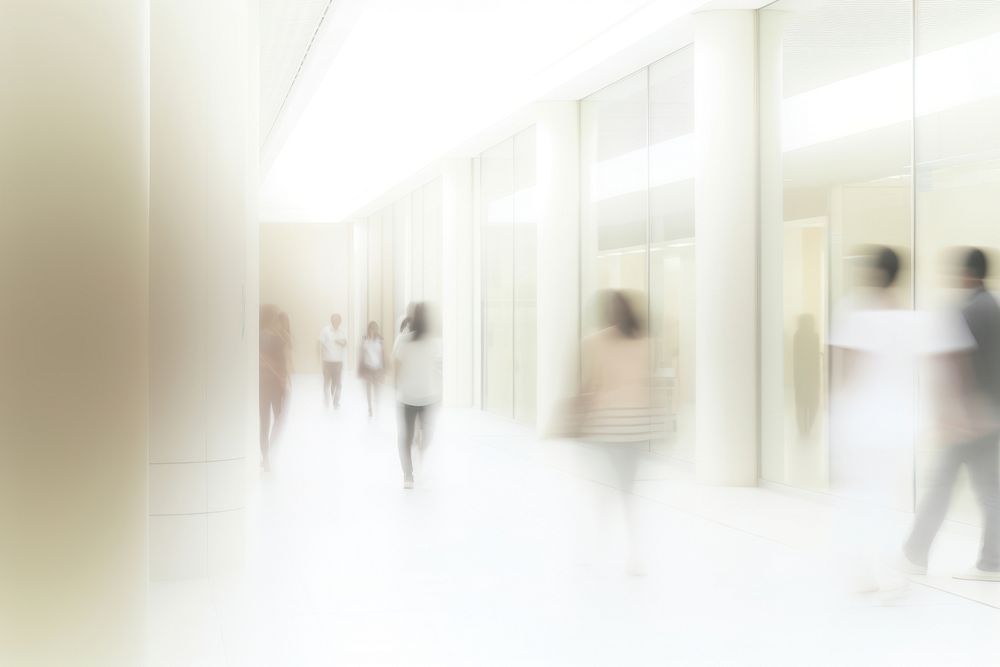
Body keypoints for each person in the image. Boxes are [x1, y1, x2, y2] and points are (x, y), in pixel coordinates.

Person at [904, 248, 1000, 581]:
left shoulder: (968, 311)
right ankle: (992, 562)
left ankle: (914, 555)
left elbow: (958, 366)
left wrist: (951, 413)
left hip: (968, 417)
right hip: (992, 414)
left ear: (968, 274)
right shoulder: (995, 307)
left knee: (942, 485)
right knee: (990, 490)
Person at [577, 290, 664, 575]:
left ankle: (597, 551)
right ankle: (633, 554)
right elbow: (651, 385)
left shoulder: (594, 342)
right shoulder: (647, 343)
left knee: (603, 492)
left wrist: (578, 419)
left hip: (606, 426)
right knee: (628, 493)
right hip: (634, 427)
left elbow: (590, 385)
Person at [394, 303, 441, 489]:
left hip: (409, 395)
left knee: (406, 436)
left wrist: (396, 385)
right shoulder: (429, 342)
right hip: (426, 395)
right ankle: (412, 465)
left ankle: (408, 475)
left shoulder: (404, 340)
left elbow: (396, 366)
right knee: (424, 433)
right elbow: (437, 368)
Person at [260, 304, 288, 470]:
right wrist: (283, 377)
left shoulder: (260, 337)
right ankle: (267, 455)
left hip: (265, 384)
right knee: (277, 418)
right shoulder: (278, 339)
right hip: (274, 384)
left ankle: (266, 456)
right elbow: (282, 363)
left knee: (265, 421)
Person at [318, 313, 347, 408]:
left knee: (337, 384)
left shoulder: (342, 331)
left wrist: (339, 342)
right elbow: (321, 345)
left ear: (340, 322)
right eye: (334, 320)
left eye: (338, 320)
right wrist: (320, 359)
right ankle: (327, 401)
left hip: (338, 362)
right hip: (327, 361)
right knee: (327, 383)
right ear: (331, 321)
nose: (336, 322)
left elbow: (345, 343)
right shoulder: (325, 331)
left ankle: (336, 402)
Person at [359, 321, 386, 418]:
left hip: (377, 368)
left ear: (376, 330)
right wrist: (361, 369)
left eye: (374, 328)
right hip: (368, 368)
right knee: (368, 389)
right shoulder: (365, 339)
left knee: (377, 389)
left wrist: (383, 369)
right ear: (368, 329)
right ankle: (370, 407)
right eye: (371, 328)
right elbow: (361, 355)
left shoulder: (380, 340)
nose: (372, 330)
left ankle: (376, 405)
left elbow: (382, 355)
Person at [275, 311, 293, 419]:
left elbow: (288, 354)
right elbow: (286, 354)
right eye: (284, 321)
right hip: (281, 370)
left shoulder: (285, 335)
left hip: (284, 371)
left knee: (285, 396)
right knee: (285, 396)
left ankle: (280, 415)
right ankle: (280, 416)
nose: (286, 323)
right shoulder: (281, 336)